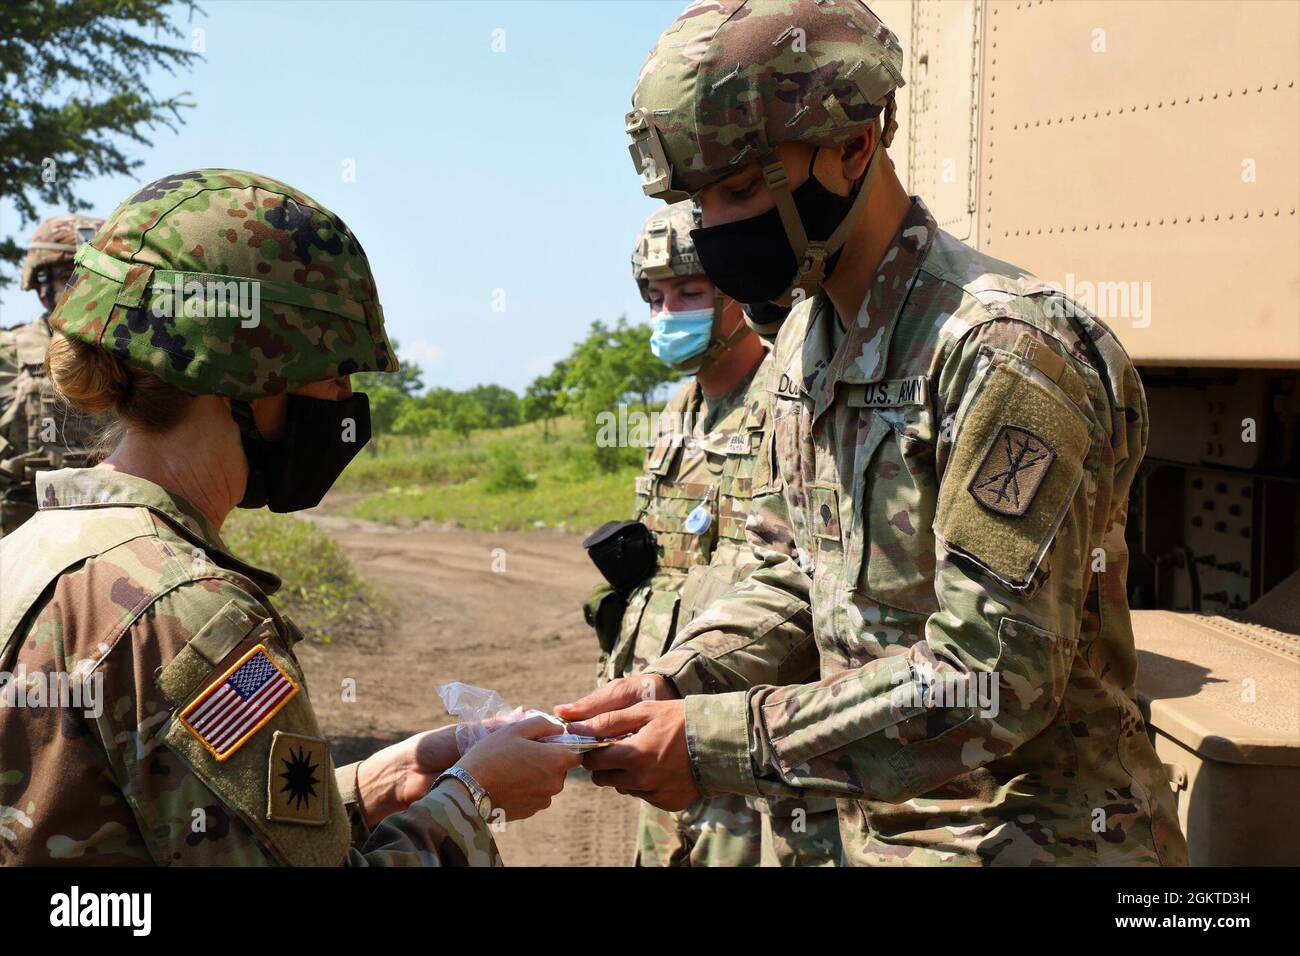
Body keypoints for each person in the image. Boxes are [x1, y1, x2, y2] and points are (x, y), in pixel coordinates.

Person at [559, 0, 1189, 866]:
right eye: (701, 203)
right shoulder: (805, 346)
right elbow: (789, 573)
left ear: (854, 146)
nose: (716, 231)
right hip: (863, 833)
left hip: (1024, 837)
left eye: (741, 189)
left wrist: (716, 740)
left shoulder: (1003, 352)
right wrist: (678, 675)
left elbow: (990, 676)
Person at [0, 169, 579, 866]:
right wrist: (471, 798)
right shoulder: (189, 617)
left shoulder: (39, 547)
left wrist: (385, 778)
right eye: (334, 373)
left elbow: (191, 830)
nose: (346, 400)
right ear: (250, 373)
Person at [586, 200, 769, 866]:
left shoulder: (787, 402)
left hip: (741, 731)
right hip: (664, 713)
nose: (669, 312)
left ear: (735, 292)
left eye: (690, 291)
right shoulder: (677, 412)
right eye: (656, 297)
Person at [0, 215, 104, 537]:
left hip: (108, 532)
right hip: (19, 535)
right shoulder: (9, 351)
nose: (89, 287)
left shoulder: (133, 353)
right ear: (42, 285)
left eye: (98, 276)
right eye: (73, 275)